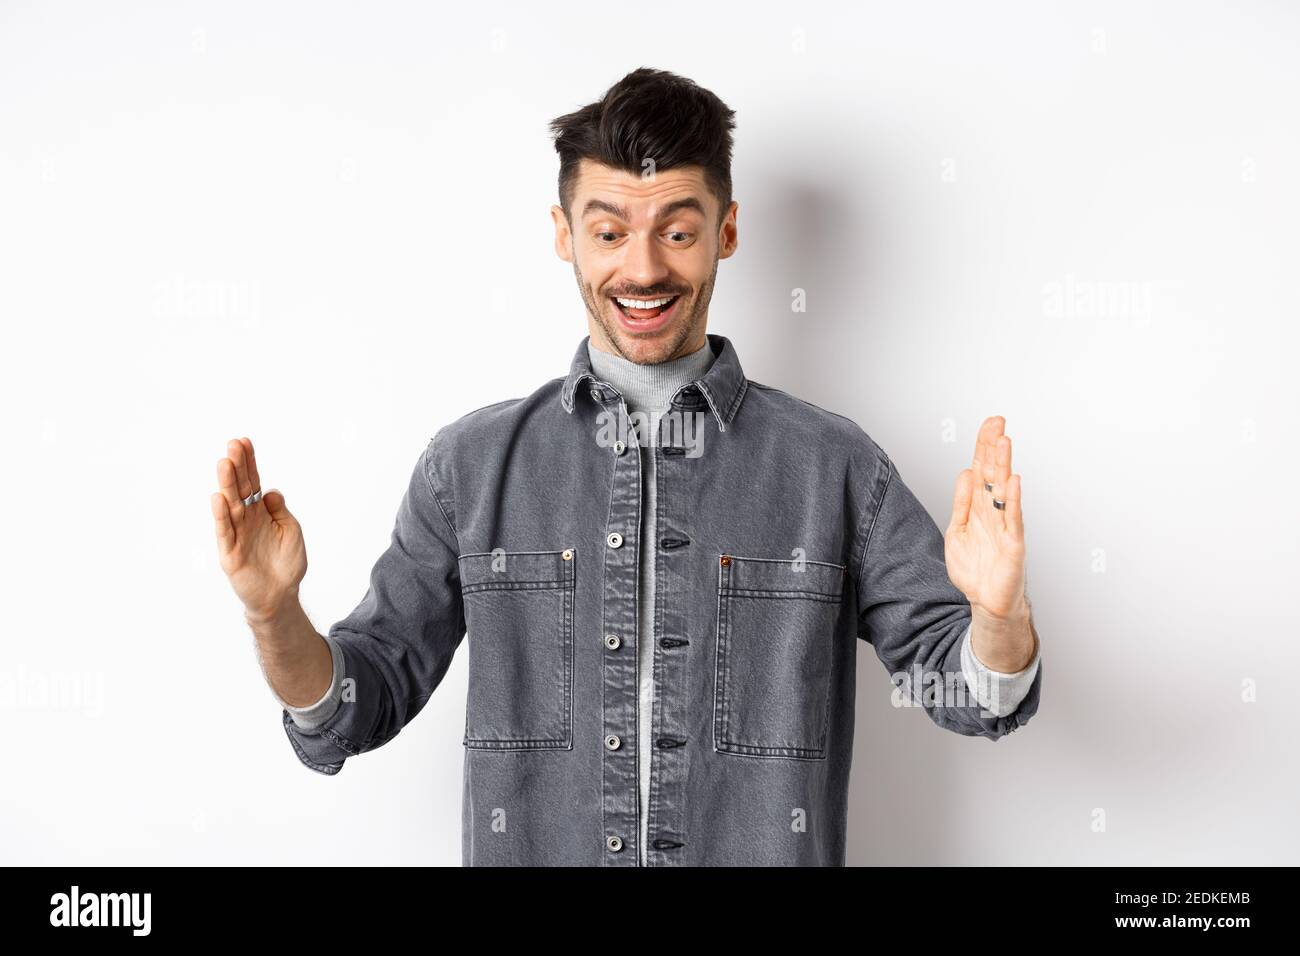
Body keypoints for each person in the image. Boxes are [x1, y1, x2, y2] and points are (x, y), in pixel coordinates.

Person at [211, 67, 1041, 867]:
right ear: (564, 233)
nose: (643, 270)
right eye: (609, 232)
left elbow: (970, 695)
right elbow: (354, 709)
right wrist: (273, 615)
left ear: (726, 230)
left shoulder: (836, 468)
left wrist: (998, 618)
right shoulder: (468, 468)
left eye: (677, 232)